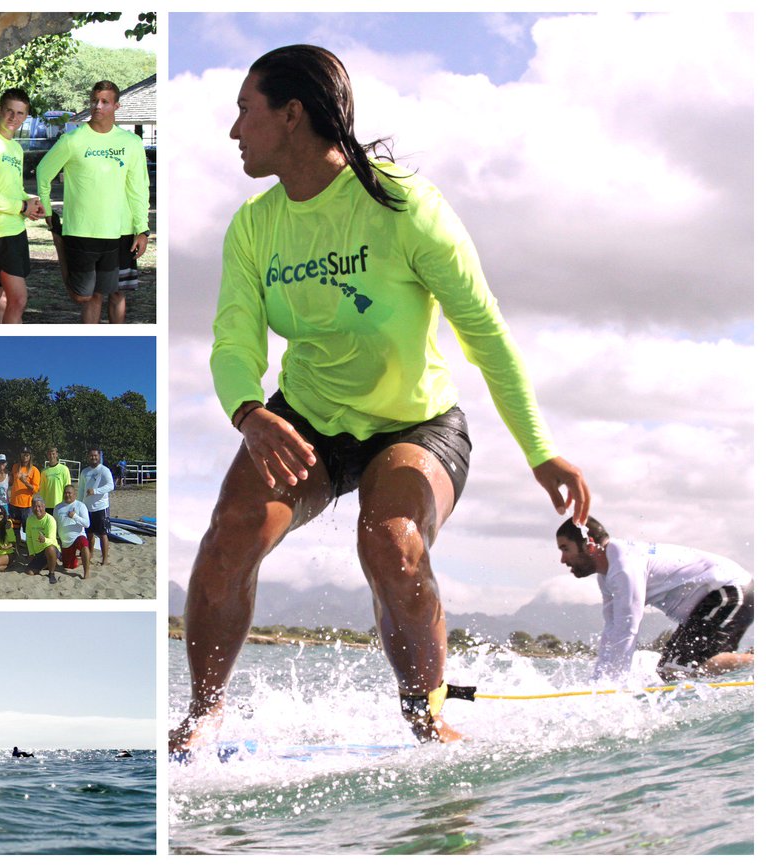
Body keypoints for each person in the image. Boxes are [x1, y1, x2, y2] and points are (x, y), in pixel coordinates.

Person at [170, 45, 590, 752]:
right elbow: (233, 339)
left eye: (245, 110)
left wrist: (541, 451)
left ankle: (428, 718)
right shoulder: (255, 224)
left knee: (391, 540)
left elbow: (486, 333)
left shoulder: (406, 207)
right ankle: (202, 716)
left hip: (417, 425)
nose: (233, 130)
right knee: (230, 533)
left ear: (291, 115)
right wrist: (249, 411)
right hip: (307, 418)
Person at [556, 517, 754, 682]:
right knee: (668, 672)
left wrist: (614, 687)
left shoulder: (624, 568)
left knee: (680, 669)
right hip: (717, 599)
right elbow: (612, 629)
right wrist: (598, 681)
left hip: (731, 591)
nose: (562, 559)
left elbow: (627, 630)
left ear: (589, 545)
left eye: (565, 549)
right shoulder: (607, 575)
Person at [35, 80, 150, 324]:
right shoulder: (72, 140)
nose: (98, 106)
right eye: (94, 101)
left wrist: (142, 229)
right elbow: (43, 172)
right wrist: (47, 210)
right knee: (87, 296)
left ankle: (115, 343)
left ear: (116, 106)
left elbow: (139, 187)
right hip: (82, 230)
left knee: (118, 293)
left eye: (105, 102)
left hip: (122, 231)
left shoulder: (131, 142)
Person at [0, 87, 46, 323]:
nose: (14, 117)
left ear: (26, 116)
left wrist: (30, 202)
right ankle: (10, 344)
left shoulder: (15, 148)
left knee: (3, 296)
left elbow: (14, 189)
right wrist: (21, 206)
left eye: (20, 113)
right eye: (9, 111)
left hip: (15, 228)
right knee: (18, 299)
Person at [80, 447, 114, 566]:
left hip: (101, 507)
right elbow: (81, 489)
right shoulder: (84, 472)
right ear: (88, 457)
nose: (93, 457)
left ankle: (105, 560)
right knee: (89, 534)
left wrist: (95, 491)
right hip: (87, 507)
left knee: (103, 534)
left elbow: (111, 486)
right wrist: (78, 504)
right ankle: (89, 556)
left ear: (99, 456)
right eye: (91, 455)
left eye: (95, 455)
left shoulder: (104, 470)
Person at [54, 485, 91, 580]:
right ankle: (82, 560)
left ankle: (86, 572)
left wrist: (75, 516)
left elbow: (87, 524)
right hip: (65, 542)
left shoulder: (80, 505)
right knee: (68, 565)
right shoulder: (58, 507)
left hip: (78, 536)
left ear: (75, 494)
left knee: (84, 545)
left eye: (69, 493)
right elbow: (55, 524)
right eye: (65, 493)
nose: (67, 495)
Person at [24, 497, 59, 583]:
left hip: (52, 549)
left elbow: (52, 540)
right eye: (34, 506)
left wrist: (44, 540)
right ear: (32, 507)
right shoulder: (30, 519)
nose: (37, 509)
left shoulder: (50, 520)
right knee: (29, 572)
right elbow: (28, 538)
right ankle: (49, 563)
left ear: (44, 506)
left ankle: (51, 573)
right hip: (38, 552)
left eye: (39, 506)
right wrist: (31, 553)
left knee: (50, 548)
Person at [9, 447, 40, 536]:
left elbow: (35, 490)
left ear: (30, 456)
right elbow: (12, 482)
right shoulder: (15, 467)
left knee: (27, 530)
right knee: (15, 530)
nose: (25, 456)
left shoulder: (34, 470)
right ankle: (17, 544)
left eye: (27, 454)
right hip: (14, 504)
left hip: (26, 506)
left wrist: (25, 482)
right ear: (20, 455)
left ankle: (28, 545)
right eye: (23, 454)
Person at [38, 446, 70, 512]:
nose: (51, 456)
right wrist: (41, 503)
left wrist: (66, 502)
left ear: (57, 454)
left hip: (60, 505)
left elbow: (67, 487)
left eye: (53, 454)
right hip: (47, 505)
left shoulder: (64, 469)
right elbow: (42, 490)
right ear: (47, 455)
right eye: (49, 454)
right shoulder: (44, 471)